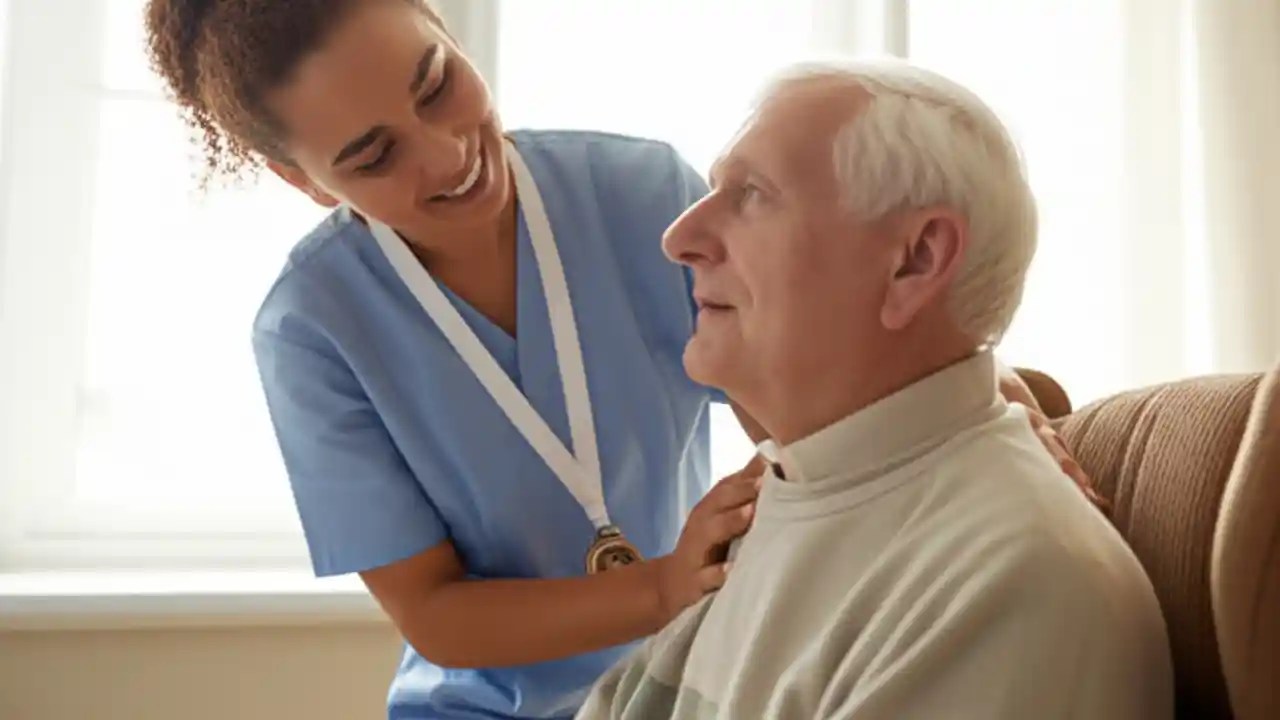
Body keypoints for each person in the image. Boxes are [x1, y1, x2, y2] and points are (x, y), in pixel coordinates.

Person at [142, 1, 1100, 717]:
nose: (444, 154)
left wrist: (988, 408)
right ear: (303, 181)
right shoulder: (312, 328)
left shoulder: (643, 195)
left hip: (690, 663)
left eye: (435, 84)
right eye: (372, 156)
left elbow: (824, 380)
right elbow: (436, 616)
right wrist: (660, 586)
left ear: (442, 25)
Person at [578, 59, 1174, 719]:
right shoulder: (787, 501)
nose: (677, 239)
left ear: (917, 261)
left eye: (751, 194)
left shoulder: (1012, 584)